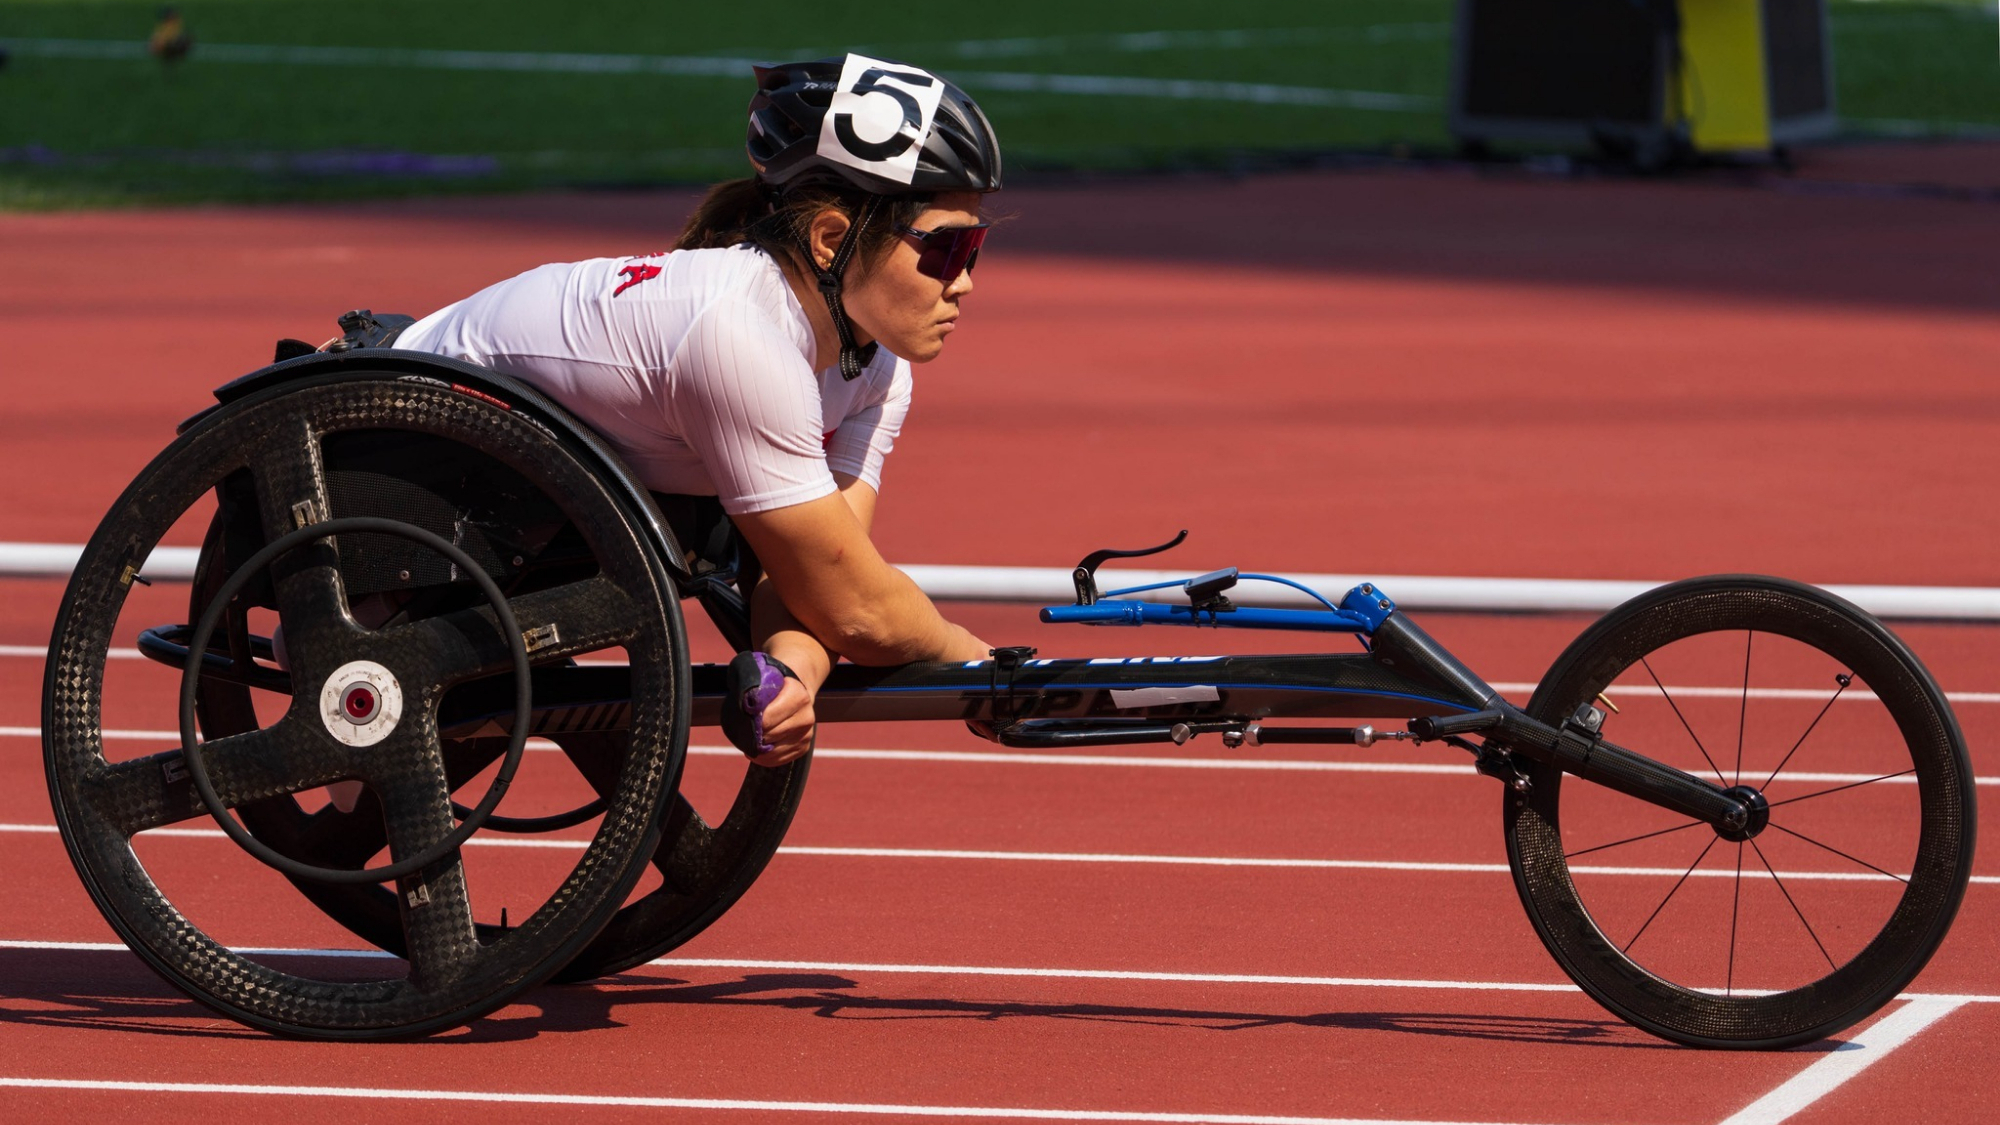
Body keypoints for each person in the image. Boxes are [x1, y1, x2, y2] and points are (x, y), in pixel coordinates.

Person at [394, 55, 1002, 767]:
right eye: (946, 247)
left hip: (508, 498)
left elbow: (812, 582)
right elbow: (855, 607)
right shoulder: (741, 334)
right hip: (394, 462)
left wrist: (789, 675)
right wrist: (984, 667)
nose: (964, 282)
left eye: (977, 247)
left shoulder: (874, 364)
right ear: (832, 239)